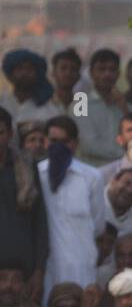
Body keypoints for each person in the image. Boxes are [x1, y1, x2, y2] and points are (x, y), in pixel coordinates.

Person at [39, 115, 106, 297]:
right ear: (45, 142)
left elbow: (98, 226)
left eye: (65, 141)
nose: (58, 146)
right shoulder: (36, 175)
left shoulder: (92, 177)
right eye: (53, 141)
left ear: (75, 144)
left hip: (81, 265)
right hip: (47, 268)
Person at [0, 49, 55, 126]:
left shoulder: (49, 110)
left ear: (37, 75)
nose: (24, 73)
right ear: (9, 75)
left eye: (29, 69)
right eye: (20, 68)